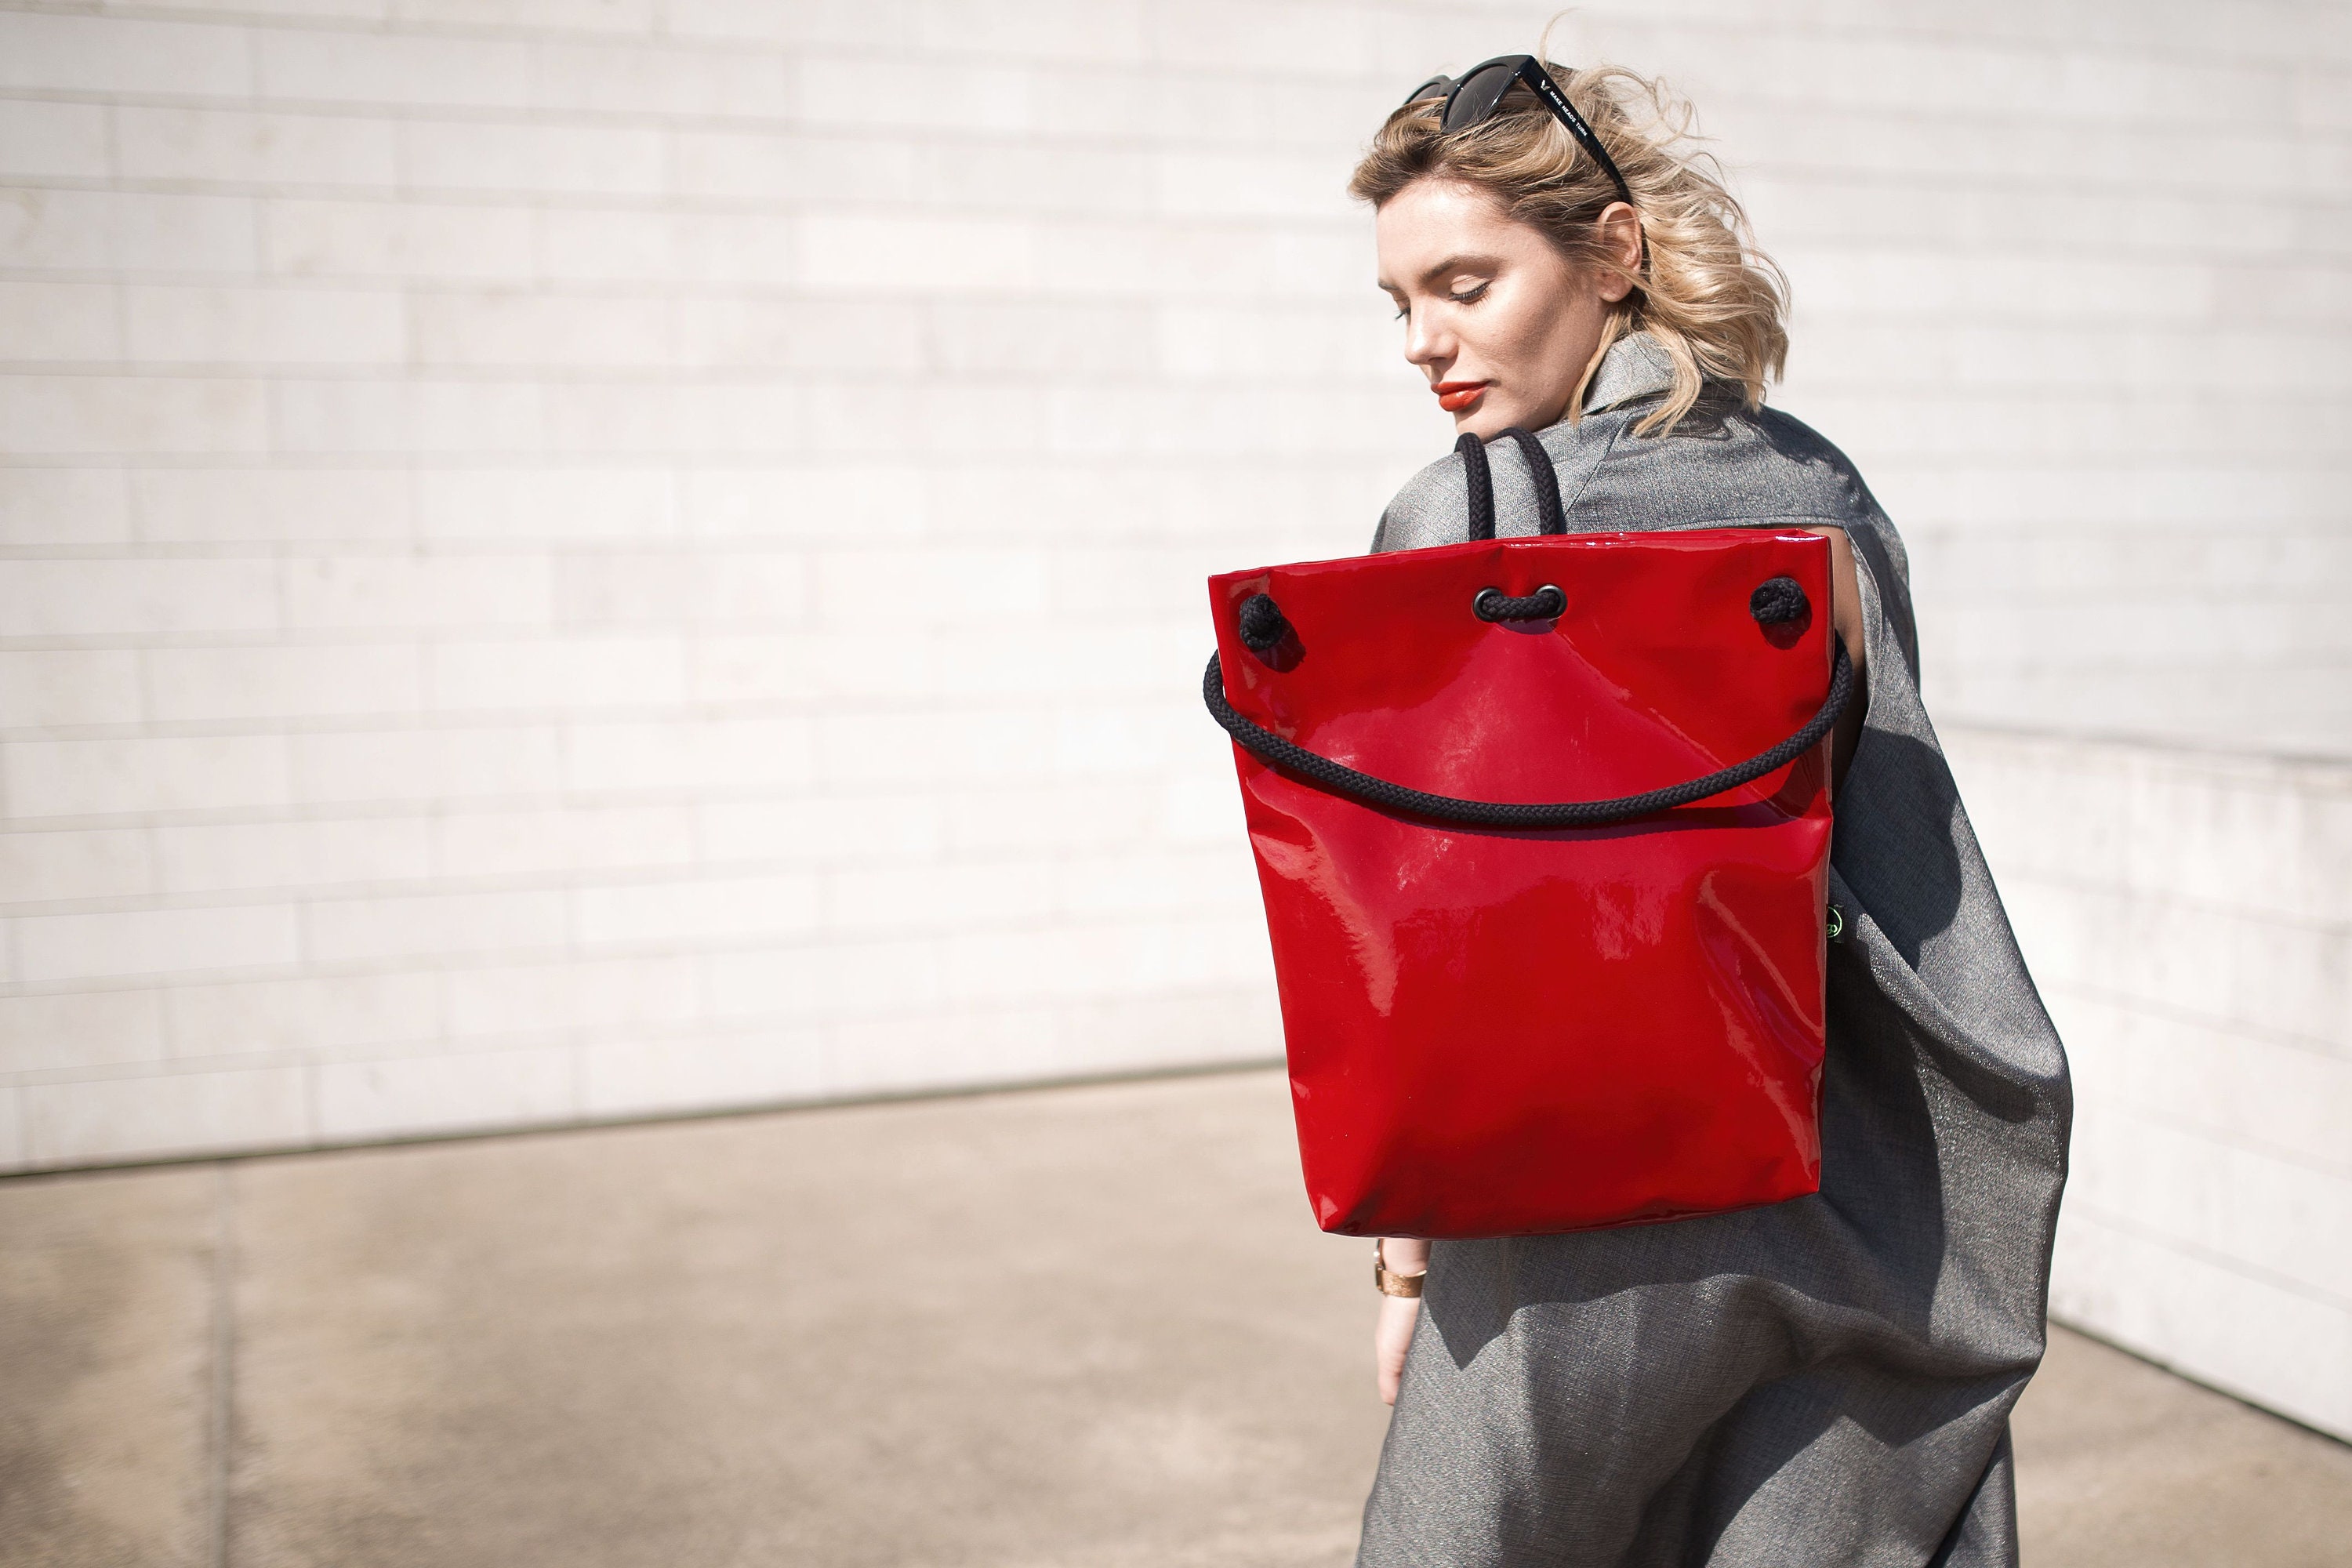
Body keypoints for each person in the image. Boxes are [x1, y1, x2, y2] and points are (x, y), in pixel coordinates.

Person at [1345, 53, 2071, 1568]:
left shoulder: (1462, 518)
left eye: (1466, 286)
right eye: (1401, 302)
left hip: (1574, 1231)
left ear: (1613, 253)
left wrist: (1410, 1272)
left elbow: (1425, 933)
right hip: (1854, 1198)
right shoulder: (1821, 490)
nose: (1424, 343)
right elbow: (1886, 842)